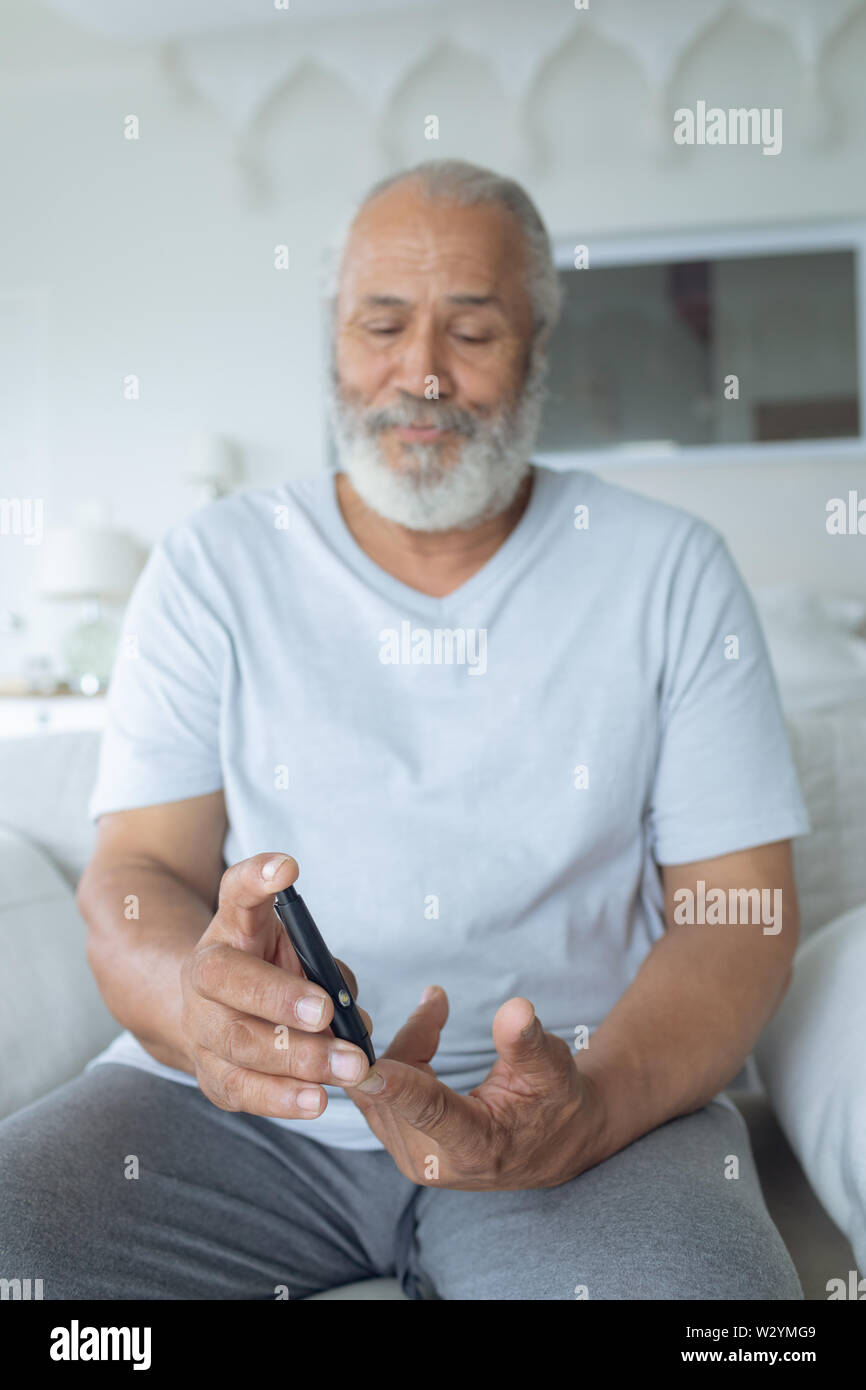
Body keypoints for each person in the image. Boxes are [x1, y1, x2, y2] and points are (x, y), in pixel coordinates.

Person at [0, 160, 808, 1300]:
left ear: (536, 348)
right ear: (334, 340)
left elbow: (740, 917)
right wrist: (201, 1009)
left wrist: (588, 1109)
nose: (418, 373)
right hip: (234, 1116)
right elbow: (133, 876)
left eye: (470, 331)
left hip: (587, 1114)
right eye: (381, 324)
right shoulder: (211, 566)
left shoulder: (669, 570)